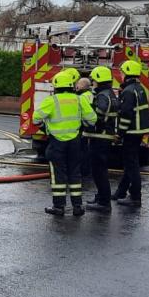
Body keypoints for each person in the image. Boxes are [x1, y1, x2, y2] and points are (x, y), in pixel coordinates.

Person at [32, 69, 86, 216]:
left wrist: (46, 126)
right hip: (75, 142)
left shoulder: (51, 100)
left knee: (58, 175)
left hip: (57, 143)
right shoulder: (79, 99)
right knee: (75, 173)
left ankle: (59, 207)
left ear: (56, 86)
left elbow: (36, 119)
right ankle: (77, 207)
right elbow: (92, 118)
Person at [113, 59, 149, 206]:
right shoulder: (139, 88)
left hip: (131, 131)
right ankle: (121, 192)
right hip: (139, 131)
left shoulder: (128, 92)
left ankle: (135, 196)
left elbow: (126, 115)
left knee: (132, 165)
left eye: (122, 72)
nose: (121, 75)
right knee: (130, 163)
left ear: (127, 73)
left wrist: (119, 134)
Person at [84, 65, 119, 212]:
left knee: (99, 171)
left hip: (100, 138)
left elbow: (99, 115)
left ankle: (104, 203)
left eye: (93, 81)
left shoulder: (102, 96)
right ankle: (101, 197)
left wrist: (88, 115)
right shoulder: (109, 93)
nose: (92, 83)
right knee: (100, 170)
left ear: (98, 80)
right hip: (104, 137)